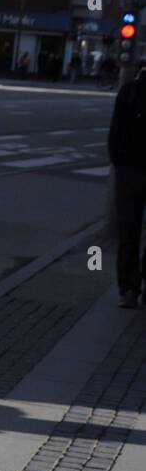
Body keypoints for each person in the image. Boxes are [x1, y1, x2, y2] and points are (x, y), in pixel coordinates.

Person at [108, 61, 146, 308]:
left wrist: (119, 163)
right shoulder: (129, 92)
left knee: (128, 233)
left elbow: (115, 132)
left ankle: (128, 289)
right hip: (131, 169)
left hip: (129, 171)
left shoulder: (129, 91)